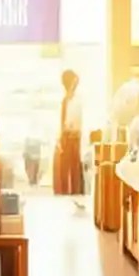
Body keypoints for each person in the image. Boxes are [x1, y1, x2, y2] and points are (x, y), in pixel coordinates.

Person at [53, 70, 84, 200]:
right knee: (64, 168)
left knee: (75, 167)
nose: (75, 86)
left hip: (74, 137)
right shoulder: (65, 100)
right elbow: (61, 122)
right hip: (66, 137)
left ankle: (76, 194)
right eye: (73, 83)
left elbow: (79, 121)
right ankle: (65, 194)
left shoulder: (76, 100)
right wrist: (59, 138)